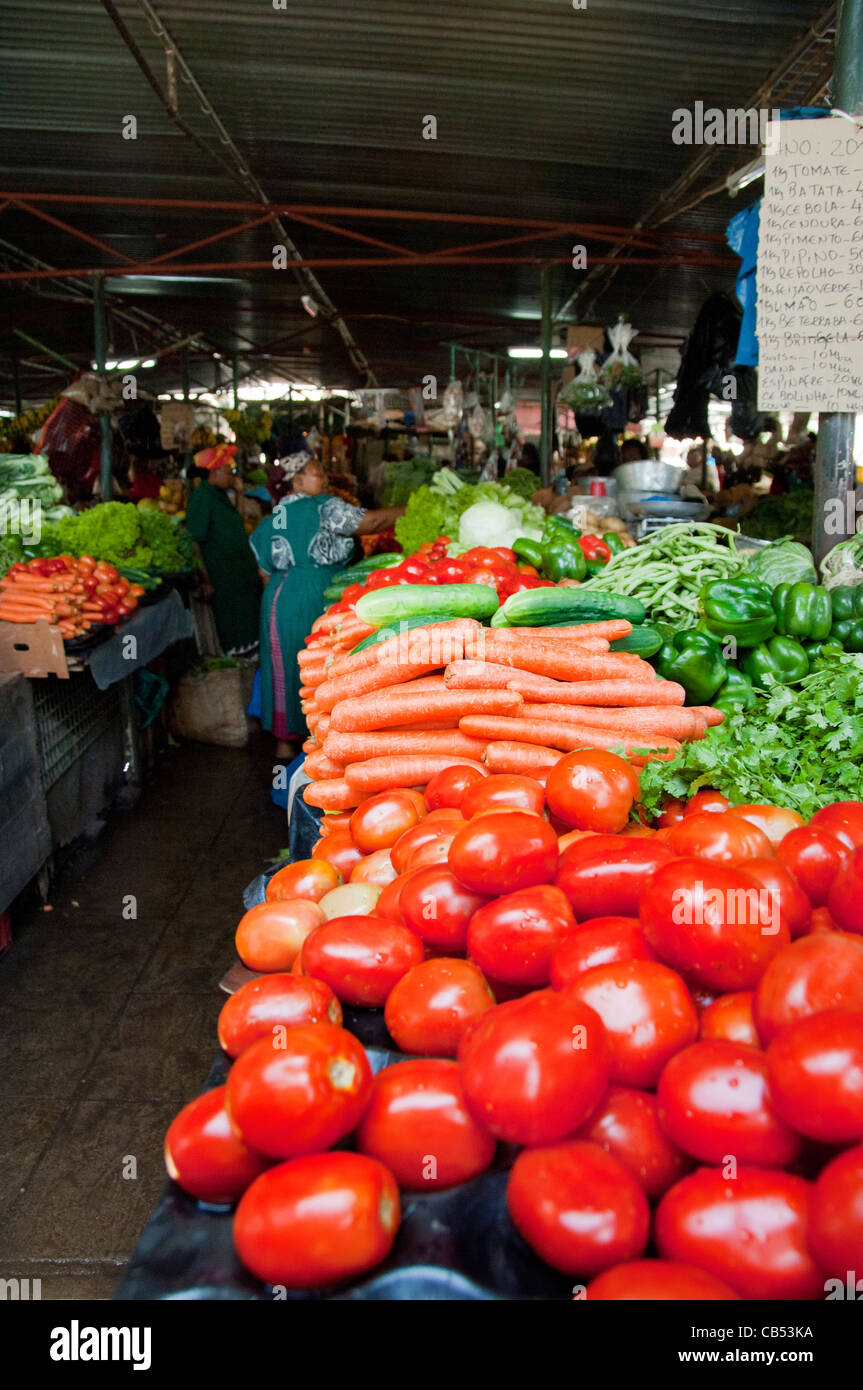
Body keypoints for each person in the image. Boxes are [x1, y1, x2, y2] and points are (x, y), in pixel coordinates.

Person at [250, 451, 403, 758]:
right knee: (324, 662)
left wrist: (283, 597)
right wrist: (411, 506)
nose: (324, 479)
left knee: (285, 665)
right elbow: (373, 521)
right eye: (318, 473)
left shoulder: (273, 518)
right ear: (298, 481)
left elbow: (263, 570)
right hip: (320, 591)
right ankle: (320, 740)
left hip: (278, 598)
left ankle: (283, 744)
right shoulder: (322, 507)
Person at [185, 443, 261, 653]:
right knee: (235, 628)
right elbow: (194, 541)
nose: (233, 475)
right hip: (224, 578)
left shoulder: (218, 495)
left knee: (249, 624)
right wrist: (205, 579)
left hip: (240, 577)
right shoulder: (202, 498)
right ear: (215, 471)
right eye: (229, 471)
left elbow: (238, 521)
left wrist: (239, 493)